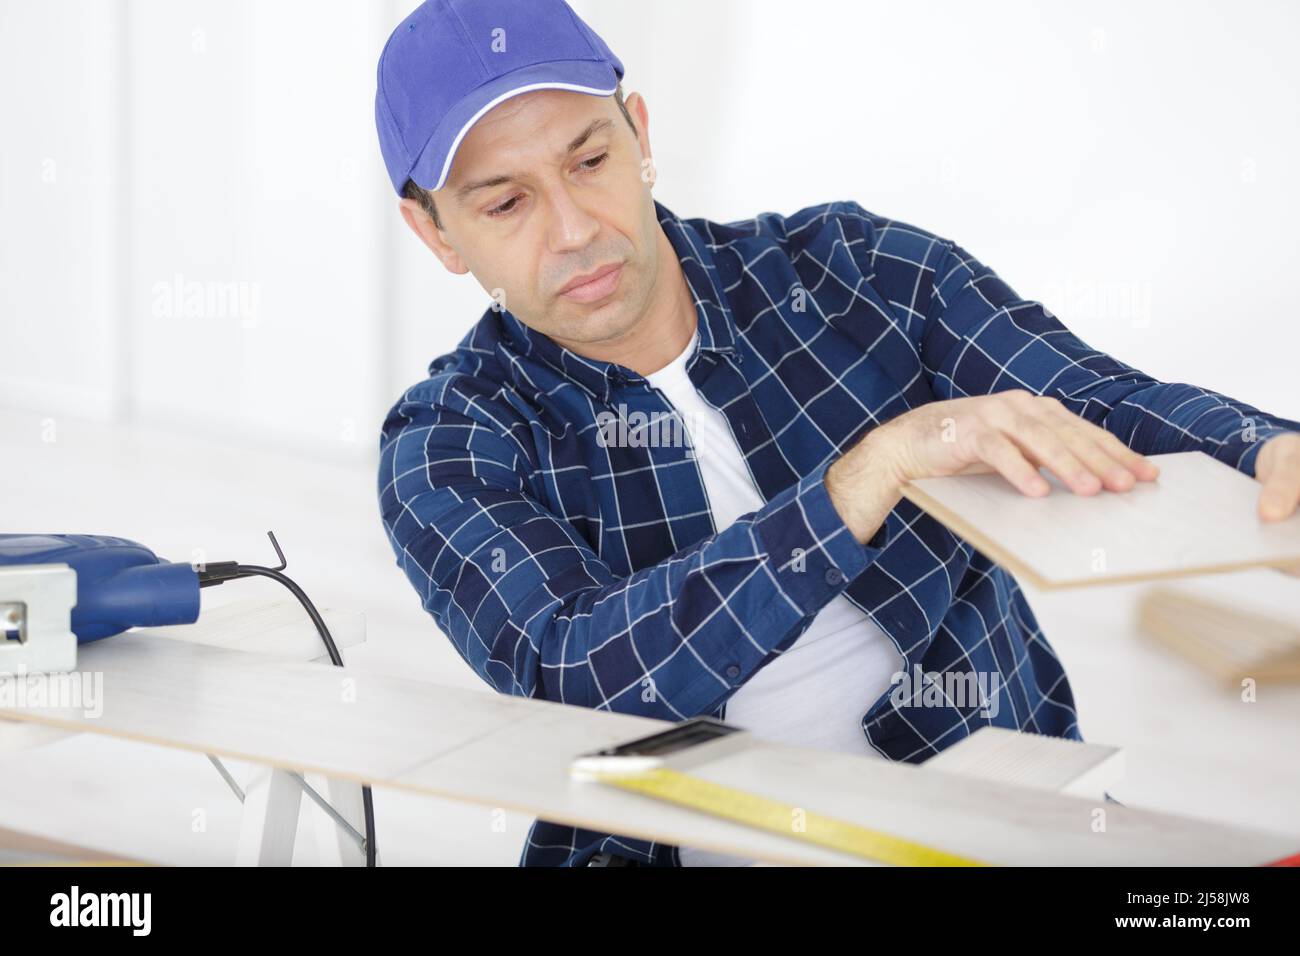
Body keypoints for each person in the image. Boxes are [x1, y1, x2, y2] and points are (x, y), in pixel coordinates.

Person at [373, 0, 1300, 866]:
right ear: (437, 234)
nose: (575, 230)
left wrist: (1267, 449)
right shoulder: (447, 444)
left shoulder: (852, 272)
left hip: (987, 827)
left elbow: (1089, 396)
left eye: (589, 161)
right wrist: (866, 476)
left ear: (641, 136)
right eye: (506, 203)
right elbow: (578, 681)